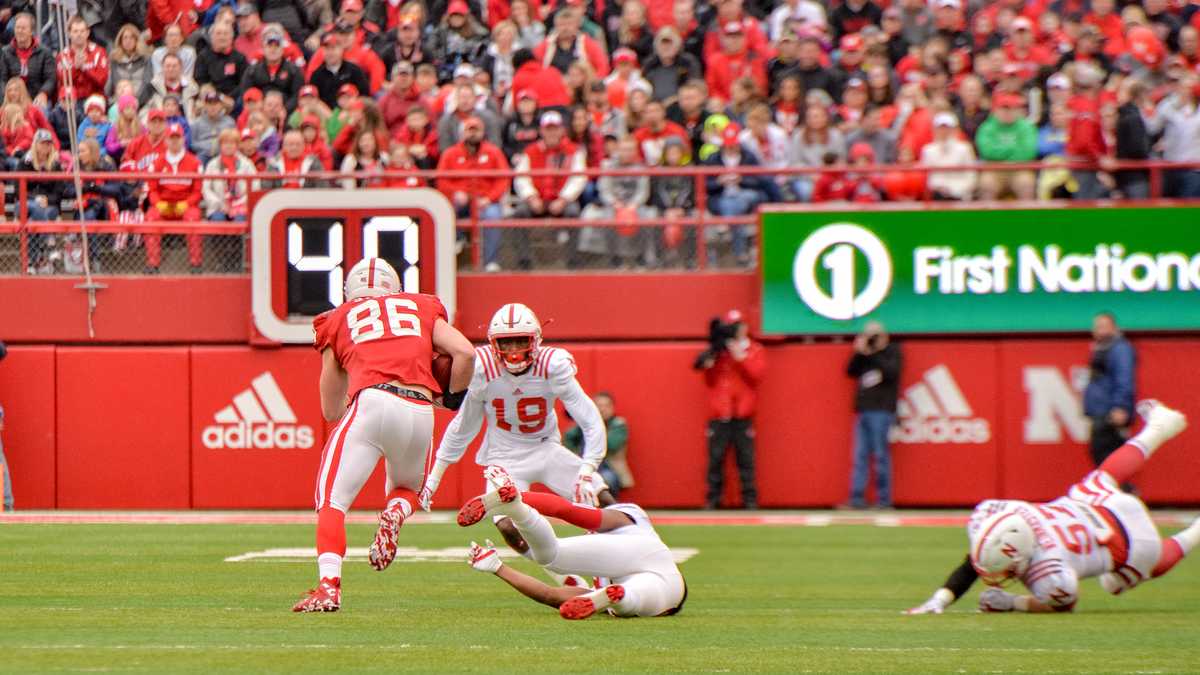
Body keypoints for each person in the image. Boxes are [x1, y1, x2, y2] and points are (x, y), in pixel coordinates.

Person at [292, 257, 476, 613]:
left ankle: (329, 587)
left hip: (373, 401)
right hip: (421, 409)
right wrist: (450, 396)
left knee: (332, 501)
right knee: (410, 490)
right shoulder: (421, 306)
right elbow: (465, 353)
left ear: (349, 291)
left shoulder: (337, 318)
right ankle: (394, 510)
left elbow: (330, 410)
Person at [907, 400, 1200, 615]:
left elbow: (1063, 605)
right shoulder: (1001, 521)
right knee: (1100, 479)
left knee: (1124, 576)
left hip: (1131, 543)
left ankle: (1196, 532)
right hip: (1098, 504)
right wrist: (942, 598)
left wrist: (1013, 603)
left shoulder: (1050, 570)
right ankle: (1159, 427)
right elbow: (977, 559)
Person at [421, 303, 613, 557]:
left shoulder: (552, 365)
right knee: (506, 525)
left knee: (603, 498)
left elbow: (589, 418)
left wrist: (589, 468)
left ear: (535, 340)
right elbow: (463, 427)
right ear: (493, 343)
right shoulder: (482, 368)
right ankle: (561, 571)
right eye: (506, 343)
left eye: (520, 341)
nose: (513, 351)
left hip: (546, 448)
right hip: (504, 457)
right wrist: (434, 478)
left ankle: (631, 551)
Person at [459, 466, 685, 619]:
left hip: (635, 564)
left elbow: (568, 511)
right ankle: (617, 598)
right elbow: (551, 595)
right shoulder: (632, 527)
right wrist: (499, 568)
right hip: (659, 576)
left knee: (551, 558)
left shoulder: (625, 528)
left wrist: (498, 568)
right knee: (630, 599)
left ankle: (517, 507)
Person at [693, 310, 764, 510]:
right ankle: (713, 499)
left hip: (743, 413)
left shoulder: (754, 349)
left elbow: (756, 376)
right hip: (720, 414)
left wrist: (740, 357)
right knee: (715, 459)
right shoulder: (719, 352)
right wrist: (712, 362)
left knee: (746, 460)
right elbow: (710, 381)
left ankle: (750, 501)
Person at [435, 115, 511, 271]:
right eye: (469, 130)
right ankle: (455, 243)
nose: (473, 134)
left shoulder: (493, 152)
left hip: (484, 201)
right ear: (462, 133)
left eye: (476, 130)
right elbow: (441, 180)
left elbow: (503, 179)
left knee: (492, 216)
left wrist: (489, 199)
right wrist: (456, 193)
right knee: (445, 212)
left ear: (483, 132)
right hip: (460, 200)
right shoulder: (450, 153)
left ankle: (490, 261)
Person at [842, 321, 901, 510]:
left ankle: (884, 500)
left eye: (875, 335)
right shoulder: (865, 355)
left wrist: (875, 352)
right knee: (860, 456)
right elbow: (850, 371)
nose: (872, 340)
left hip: (882, 410)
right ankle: (856, 498)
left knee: (881, 455)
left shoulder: (892, 351)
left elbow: (892, 373)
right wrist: (860, 351)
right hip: (864, 410)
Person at [147, 122, 204, 273]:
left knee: (193, 219)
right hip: (164, 205)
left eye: (177, 138)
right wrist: (158, 203)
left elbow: (198, 192)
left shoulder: (194, 162)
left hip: (186, 205)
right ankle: (153, 264)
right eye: (171, 138)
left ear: (183, 139)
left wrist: (187, 203)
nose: (174, 141)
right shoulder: (157, 163)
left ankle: (196, 264)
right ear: (165, 140)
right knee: (151, 218)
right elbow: (152, 190)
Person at [1085, 312, 1137, 478]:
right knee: (1102, 456)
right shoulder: (1102, 349)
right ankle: (1121, 494)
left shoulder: (1120, 349)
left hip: (1111, 412)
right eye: (1097, 327)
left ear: (1113, 328)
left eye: (1103, 326)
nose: (1099, 331)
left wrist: (1120, 407)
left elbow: (1124, 378)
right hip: (1101, 411)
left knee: (1108, 457)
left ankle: (1125, 494)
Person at [564, 392, 634, 498]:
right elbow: (568, 440)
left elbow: (611, 445)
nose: (602, 409)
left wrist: (595, 427)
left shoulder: (618, 424)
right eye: (599, 406)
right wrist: (582, 424)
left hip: (609, 468)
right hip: (584, 467)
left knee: (607, 479)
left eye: (606, 406)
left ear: (612, 408)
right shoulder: (585, 425)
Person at [0, 14, 56, 108]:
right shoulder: (5, 52)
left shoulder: (45, 52)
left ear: (31, 31)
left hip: (36, 97)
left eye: (23, 28)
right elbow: (2, 79)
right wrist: (8, 96)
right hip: (12, 98)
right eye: (17, 28)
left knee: (42, 112)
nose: (19, 31)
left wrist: (44, 93)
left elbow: (50, 78)